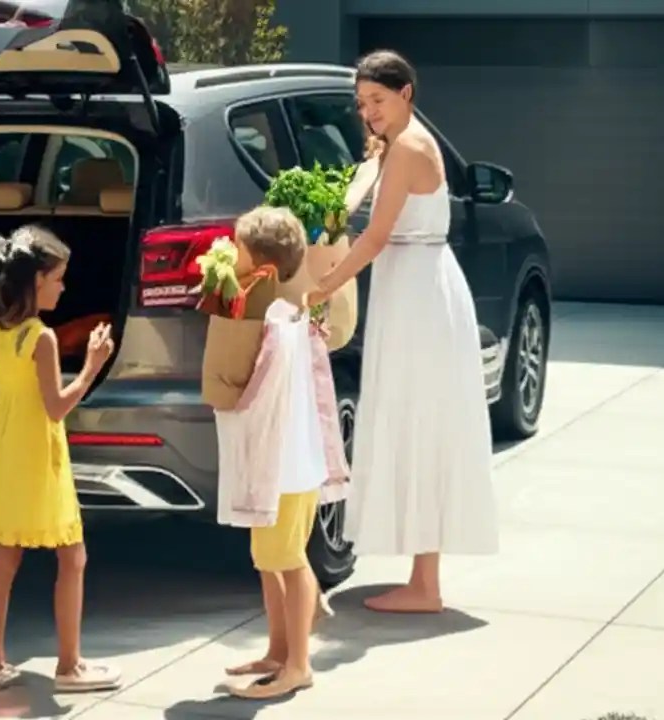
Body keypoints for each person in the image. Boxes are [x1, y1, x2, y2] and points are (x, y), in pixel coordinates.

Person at [305, 49, 499, 614]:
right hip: (415, 286)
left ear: (406, 93)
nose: (368, 112)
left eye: (379, 101)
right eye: (363, 103)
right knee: (418, 422)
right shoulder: (397, 142)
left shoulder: (410, 146)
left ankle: (425, 584)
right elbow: (360, 199)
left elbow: (375, 237)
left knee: (417, 421)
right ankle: (423, 578)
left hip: (417, 292)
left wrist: (323, 284)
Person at [0, 225, 123, 694]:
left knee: (4, 561)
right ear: (37, 280)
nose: (63, 286)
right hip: (41, 462)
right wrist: (93, 366)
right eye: (58, 278)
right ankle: (69, 666)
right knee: (72, 558)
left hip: (4, 461)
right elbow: (56, 406)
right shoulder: (41, 338)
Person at [212, 207, 350, 700]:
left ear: (263, 266)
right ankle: (277, 651)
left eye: (238, 247)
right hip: (288, 464)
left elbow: (256, 385)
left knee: (290, 562)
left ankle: (298, 664)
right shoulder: (284, 312)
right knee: (269, 560)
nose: (230, 252)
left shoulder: (270, 318)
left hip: (288, 467)